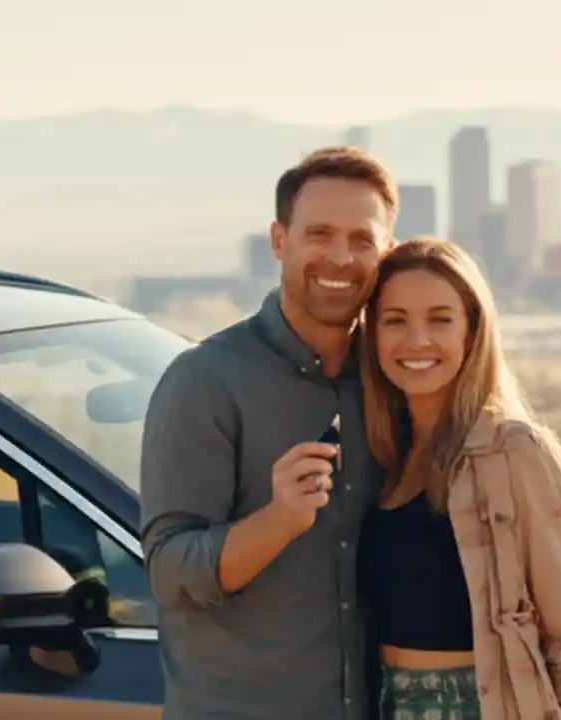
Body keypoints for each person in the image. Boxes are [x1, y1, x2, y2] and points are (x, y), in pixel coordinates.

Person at [140, 146, 398, 719]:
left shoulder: (392, 381)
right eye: (320, 234)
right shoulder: (204, 381)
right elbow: (169, 572)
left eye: (362, 240)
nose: (340, 257)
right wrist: (278, 522)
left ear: (389, 252)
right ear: (279, 241)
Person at [357, 238, 561, 719]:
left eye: (440, 319)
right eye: (395, 320)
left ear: (472, 331)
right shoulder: (380, 457)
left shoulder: (515, 452)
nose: (417, 340)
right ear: (372, 334)